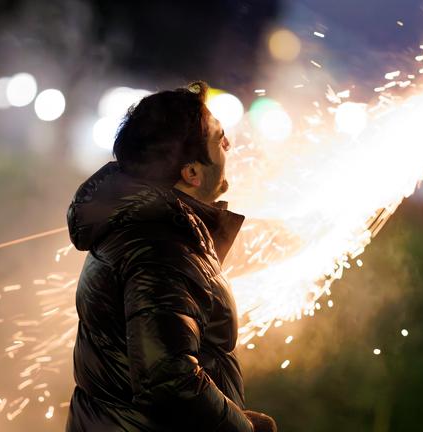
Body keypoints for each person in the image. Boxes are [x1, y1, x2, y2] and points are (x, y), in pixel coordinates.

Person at [66, 81, 277, 431]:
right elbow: (168, 380)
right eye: (219, 139)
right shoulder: (161, 247)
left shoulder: (157, 228)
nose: (229, 145)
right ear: (191, 172)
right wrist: (241, 428)